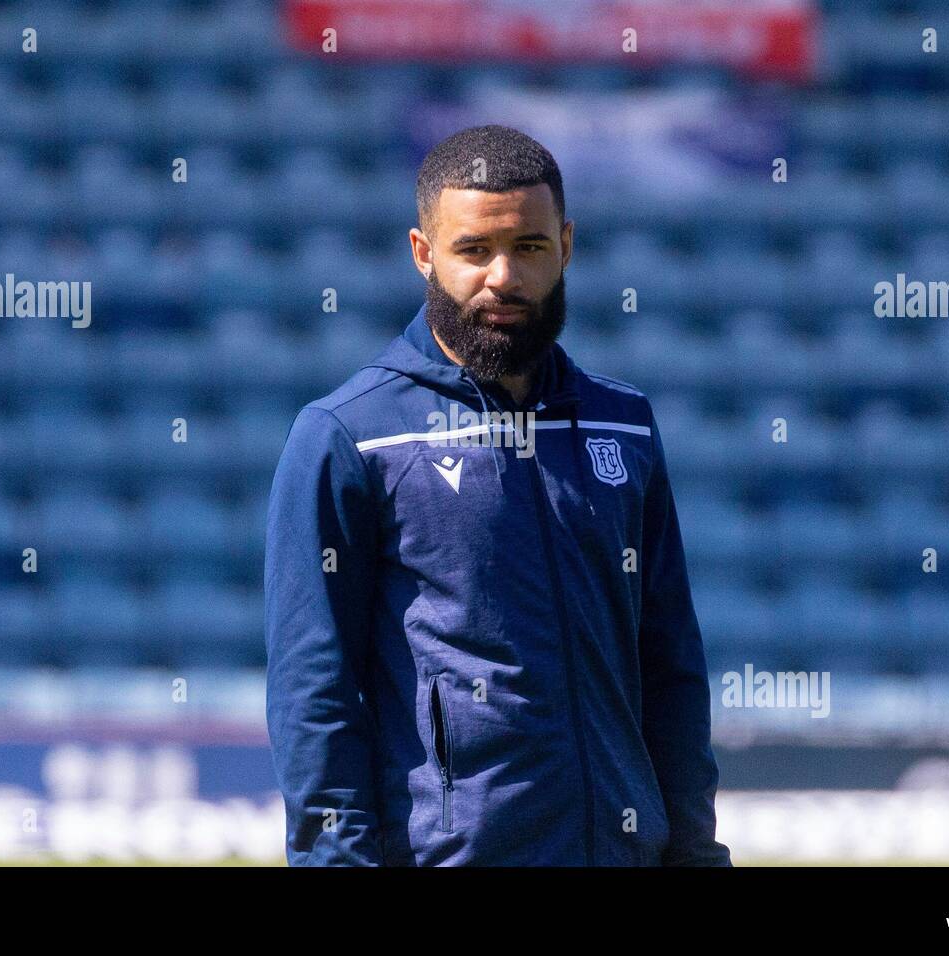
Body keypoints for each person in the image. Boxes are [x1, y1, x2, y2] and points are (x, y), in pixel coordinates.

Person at [264, 124, 732, 866]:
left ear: (567, 245)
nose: (504, 277)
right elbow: (314, 693)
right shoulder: (347, 437)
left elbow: (671, 667)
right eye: (474, 250)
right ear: (424, 253)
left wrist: (696, 851)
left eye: (530, 248)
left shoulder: (626, 425)